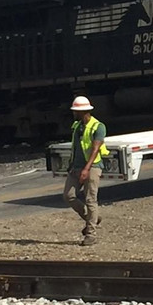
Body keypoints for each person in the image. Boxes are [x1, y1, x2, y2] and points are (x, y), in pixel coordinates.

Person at [63, 96, 108, 246]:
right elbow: (76, 147)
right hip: (76, 167)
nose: (73, 113)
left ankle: (91, 234)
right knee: (68, 196)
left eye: (75, 111)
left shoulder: (98, 126)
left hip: (92, 167)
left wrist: (86, 169)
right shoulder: (76, 126)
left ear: (83, 112)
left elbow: (95, 149)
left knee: (90, 200)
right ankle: (93, 218)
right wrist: (71, 165)